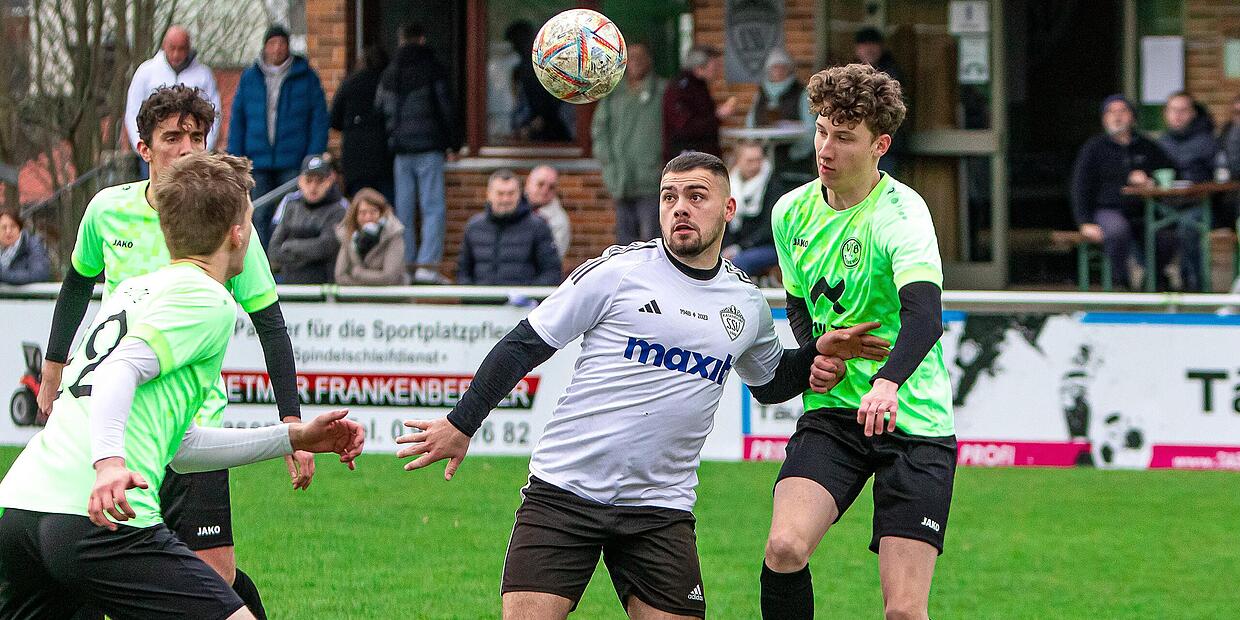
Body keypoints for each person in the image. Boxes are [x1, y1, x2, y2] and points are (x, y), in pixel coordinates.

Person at [398, 151, 887, 619]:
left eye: (697, 196)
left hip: (659, 509)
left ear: (728, 209)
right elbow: (526, 343)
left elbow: (770, 381)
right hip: (565, 492)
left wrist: (817, 357)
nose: (680, 208)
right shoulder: (618, 271)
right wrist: (463, 423)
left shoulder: (747, 302)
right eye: (669, 197)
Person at [0, 151, 365, 620]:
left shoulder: (137, 289)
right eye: (250, 221)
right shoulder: (207, 299)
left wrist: (293, 437)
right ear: (237, 235)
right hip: (97, 512)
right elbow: (118, 371)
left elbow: (182, 446)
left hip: (25, 507)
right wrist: (109, 463)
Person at [37, 85, 313, 619]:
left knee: (211, 576)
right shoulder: (107, 211)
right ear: (144, 148)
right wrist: (53, 369)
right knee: (135, 572)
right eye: (172, 137)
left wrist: (293, 426)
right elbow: (76, 285)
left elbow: (271, 326)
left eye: (197, 137)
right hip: (121, 428)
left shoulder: (234, 229)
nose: (187, 148)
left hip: (191, 423)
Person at [761, 63, 955, 620]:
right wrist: (818, 356)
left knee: (903, 611)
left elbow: (926, 314)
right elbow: (799, 303)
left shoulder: (903, 214)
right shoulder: (790, 211)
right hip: (836, 417)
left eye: (844, 137)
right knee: (784, 547)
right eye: (822, 130)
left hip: (914, 422)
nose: (826, 147)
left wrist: (887, 382)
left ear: (880, 146)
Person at [375, 22, 461, 283]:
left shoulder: (390, 72)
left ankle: (407, 267)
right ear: (422, 39)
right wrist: (453, 144)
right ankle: (427, 267)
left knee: (404, 211)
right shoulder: (433, 68)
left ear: (401, 40)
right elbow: (446, 108)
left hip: (401, 151)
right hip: (429, 148)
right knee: (432, 208)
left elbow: (380, 109)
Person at [228, 24, 329, 244]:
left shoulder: (306, 77)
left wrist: (313, 155)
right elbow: (238, 119)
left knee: (289, 211)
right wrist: (235, 158)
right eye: (272, 43)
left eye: (282, 44)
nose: (277, 49)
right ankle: (261, 259)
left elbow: (319, 118)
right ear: (265, 47)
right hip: (257, 160)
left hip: (293, 158)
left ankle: (285, 260)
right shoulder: (250, 78)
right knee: (257, 212)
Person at [1071, 94, 1176, 289]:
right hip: (1108, 209)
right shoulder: (1094, 148)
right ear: (1104, 119)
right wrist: (1084, 222)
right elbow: (1080, 186)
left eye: (1122, 111)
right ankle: (1119, 282)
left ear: (1133, 117)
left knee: (1167, 234)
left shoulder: (1147, 146)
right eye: (1111, 112)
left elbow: (1170, 170)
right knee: (1117, 231)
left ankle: (1154, 279)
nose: (1117, 117)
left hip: (1144, 209)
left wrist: (1150, 180)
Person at [591, 42, 665, 245]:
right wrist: (607, 161)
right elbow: (599, 131)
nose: (636, 62)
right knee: (624, 240)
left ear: (649, 61)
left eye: (640, 57)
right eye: (630, 58)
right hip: (620, 179)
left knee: (653, 238)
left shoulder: (661, 91)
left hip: (651, 179)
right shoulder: (613, 94)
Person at [125, 25, 222, 177]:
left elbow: (214, 115)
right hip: (155, 152)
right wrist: (145, 146)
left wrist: (202, 149)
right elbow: (132, 112)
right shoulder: (146, 73)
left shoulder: (203, 75)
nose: (176, 54)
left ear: (189, 48)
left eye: (182, 49)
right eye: (172, 48)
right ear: (164, 45)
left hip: (192, 156)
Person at [456, 169, 561, 286]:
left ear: (519, 194)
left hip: (522, 303)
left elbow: (551, 272)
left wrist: (528, 298)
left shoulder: (538, 227)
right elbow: (463, 272)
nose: (505, 199)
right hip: (480, 302)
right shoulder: (474, 227)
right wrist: (472, 298)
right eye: (500, 193)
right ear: (489, 194)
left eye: (511, 193)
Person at [1158, 92, 1217, 291]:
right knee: (1145, 228)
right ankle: (1155, 282)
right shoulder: (1160, 143)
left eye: (1183, 110)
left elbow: (1221, 177)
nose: (1178, 115)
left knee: (1188, 227)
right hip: (1166, 204)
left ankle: (1195, 285)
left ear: (1192, 113)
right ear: (1166, 114)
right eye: (1174, 110)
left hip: (1203, 205)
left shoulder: (1207, 142)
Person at [268, 154, 348, 284]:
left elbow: (326, 247)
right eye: (309, 180)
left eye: (319, 181)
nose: (313, 187)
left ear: (329, 181)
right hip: (291, 285)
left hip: (324, 287)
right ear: (300, 181)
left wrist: (290, 245)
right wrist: (309, 249)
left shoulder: (338, 209)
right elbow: (273, 250)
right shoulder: (291, 207)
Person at [330, 44, 394, 201]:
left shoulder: (349, 84)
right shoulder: (387, 83)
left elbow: (333, 120)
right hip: (383, 156)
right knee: (385, 207)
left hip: (355, 157)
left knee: (361, 205)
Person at [744, 48, 814, 176]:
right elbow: (751, 124)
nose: (778, 71)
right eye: (774, 67)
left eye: (782, 67)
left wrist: (798, 152)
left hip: (794, 159)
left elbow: (811, 127)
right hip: (763, 158)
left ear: (789, 69)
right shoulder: (761, 94)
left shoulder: (801, 93)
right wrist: (756, 151)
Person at [663, 45, 737, 163]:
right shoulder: (681, 89)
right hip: (687, 158)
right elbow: (685, 127)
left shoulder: (700, 86)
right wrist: (718, 116)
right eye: (714, 66)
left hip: (703, 154)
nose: (717, 70)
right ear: (699, 67)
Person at [722, 142, 783, 278]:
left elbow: (769, 228)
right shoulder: (729, 185)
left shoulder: (773, 185)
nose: (755, 165)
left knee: (739, 262)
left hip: (768, 246)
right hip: (736, 245)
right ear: (738, 161)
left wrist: (740, 248)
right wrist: (727, 247)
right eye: (750, 161)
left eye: (759, 160)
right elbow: (724, 223)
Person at [854, 27, 908, 175]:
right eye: (865, 44)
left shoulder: (892, 74)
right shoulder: (850, 73)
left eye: (873, 44)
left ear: (881, 47)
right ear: (857, 48)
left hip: (886, 144)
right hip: (858, 143)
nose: (869, 48)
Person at [506, 20, 572, 142]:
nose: (515, 48)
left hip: (548, 134)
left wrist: (537, 122)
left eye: (517, 42)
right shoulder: (523, 69)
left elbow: (551, 103)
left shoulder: (538, 68)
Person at [334, 187, 408, 285]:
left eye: (373, 212)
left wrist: (358, 273)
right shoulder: (348, 234)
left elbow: (390, 277)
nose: (368, 217)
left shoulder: (394, 233)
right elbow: (340, 276)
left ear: (381, 213)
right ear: (355, 215)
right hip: (358, 298)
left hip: (391, 298)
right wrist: (366, 288)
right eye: (363, 213)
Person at [524, 165, 572, 260]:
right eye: (540, 184)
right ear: (528, 183)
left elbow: (552, 258)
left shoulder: (559, 222)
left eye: (551, 187)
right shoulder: (511, 207)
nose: (545, 190)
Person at [0, 207, 51, 284]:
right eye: (4, 228)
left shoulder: (33, 245)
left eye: (13, 226)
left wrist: (3, 275)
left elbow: (40, 274)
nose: (8, 231)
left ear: (19, 229)